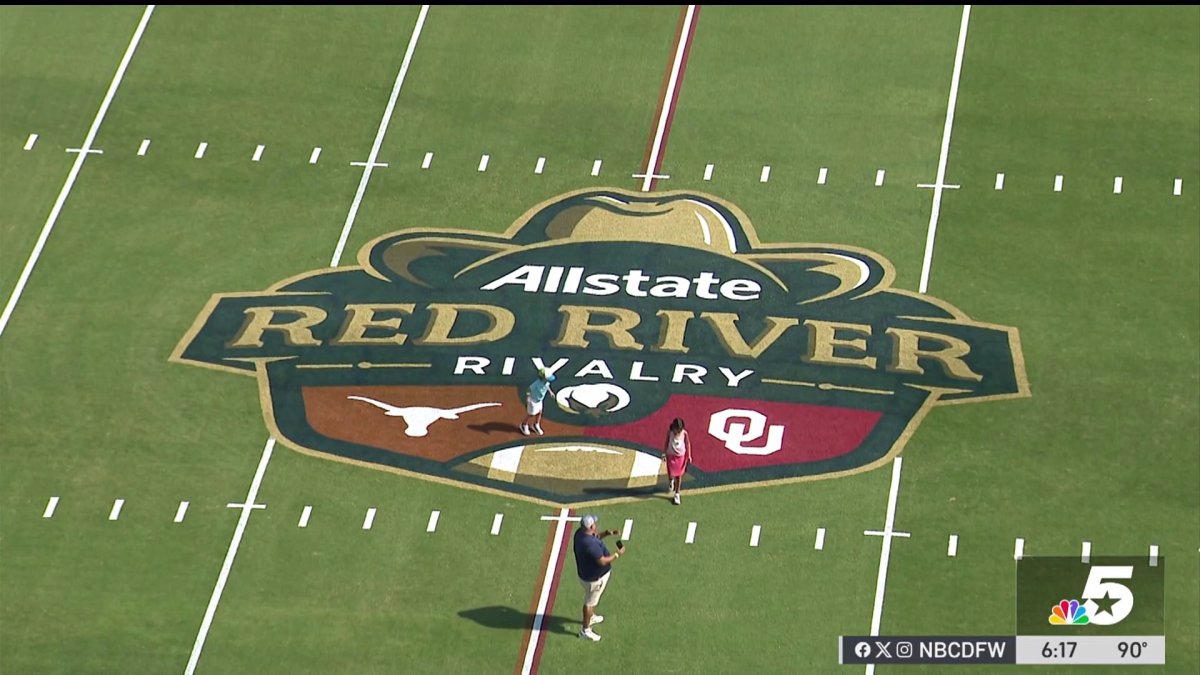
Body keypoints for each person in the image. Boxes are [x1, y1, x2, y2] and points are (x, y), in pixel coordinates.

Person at [573, 514, 625, 641]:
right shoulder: (590, 544)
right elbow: (602, 561)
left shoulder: (580, 534)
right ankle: (586, 630)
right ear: (590, 526)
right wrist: (617, 554)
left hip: (588, 575)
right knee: (589, 603)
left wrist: (607, 533)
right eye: (594, 524)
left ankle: (591, 618)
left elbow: (595, 536)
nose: (596, 525)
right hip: (594, 579)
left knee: (592, 600)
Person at [663, 417, 692, 505]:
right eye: (677, 430)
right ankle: (671, 480)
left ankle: (677, 493)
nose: (678, 432)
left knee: (679, 476)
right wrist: (664, 453)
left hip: (680, 457)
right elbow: (666, 442)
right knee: (671, 473)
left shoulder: (684, 433)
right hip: (671, 456)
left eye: (679, 430)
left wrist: (689, 455)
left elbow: (687, 443)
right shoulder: (670, 433)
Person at [520, 369, 556, 436]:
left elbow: (547, 386)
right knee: (531, 414)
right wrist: (528, 398)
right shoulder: (536, 384)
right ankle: (523, 424)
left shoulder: (547, 382)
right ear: (543, 378)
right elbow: (528, 390)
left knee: (539, 412)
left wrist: (550, 392)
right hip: (533, 401)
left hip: (540, 400)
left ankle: (536, 424)